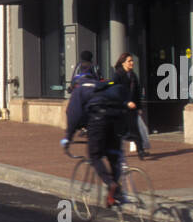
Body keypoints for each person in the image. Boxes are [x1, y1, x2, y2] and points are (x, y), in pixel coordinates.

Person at [61, 68, 130, 207]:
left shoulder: (79, 90)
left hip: (99, 120)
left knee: (95, 155)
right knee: (113, 155)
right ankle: (116, 194)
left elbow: (73, 115)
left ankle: (111, 185)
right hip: (116, 120)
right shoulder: (101, 87)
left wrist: (68, 137)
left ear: (75, 84)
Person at [113, 52, 152, 161]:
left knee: (135, 130)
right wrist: (125, 102)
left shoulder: (133, 75)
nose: (132, 63)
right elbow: (115, 92)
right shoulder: (118, 75)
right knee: (120, 132)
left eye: (132, 60)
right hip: (121, 108)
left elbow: (137, 93)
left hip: (132, 108)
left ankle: (141, 151)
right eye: (129, 61)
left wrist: (139, 107)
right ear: (123, 63)